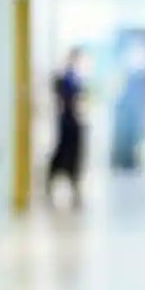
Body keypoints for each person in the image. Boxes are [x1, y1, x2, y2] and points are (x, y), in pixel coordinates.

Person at [47, 47, 87, 208]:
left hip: (72, 121)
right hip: (66, 122)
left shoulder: (73, 78)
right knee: (62, 153)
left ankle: (74, 186)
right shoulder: (64, 78)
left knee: (74, 156)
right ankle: (53, 183)